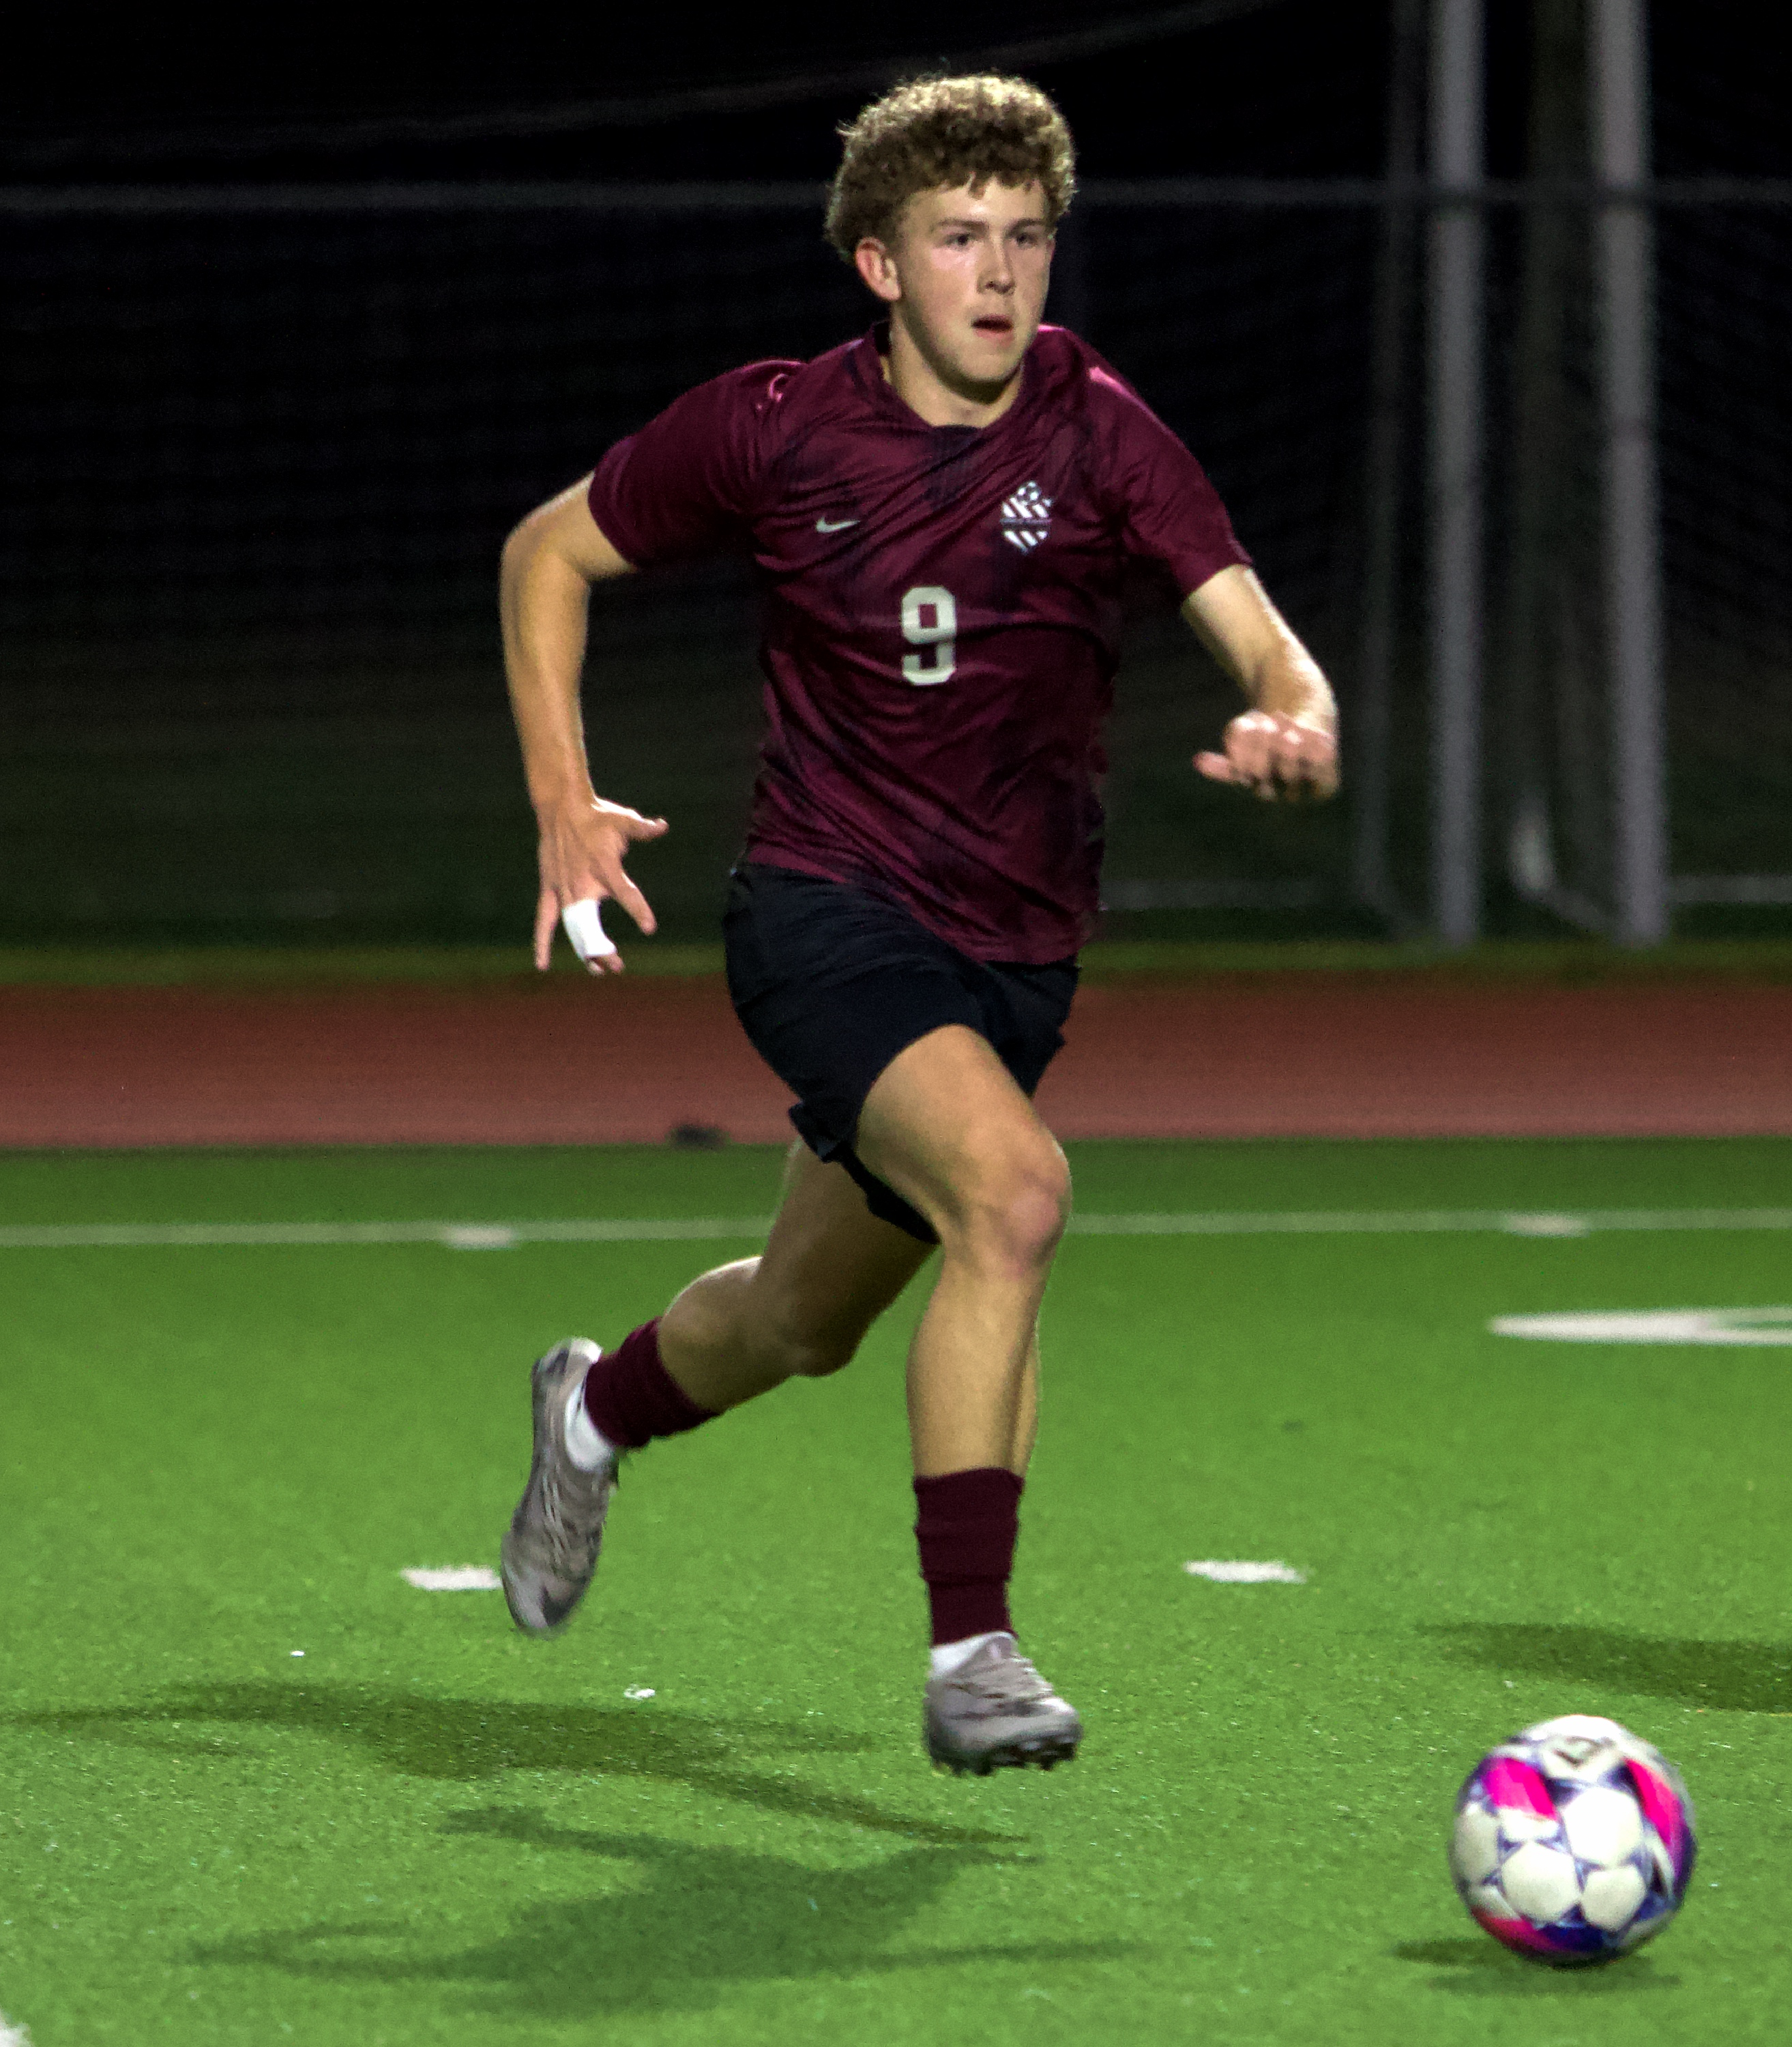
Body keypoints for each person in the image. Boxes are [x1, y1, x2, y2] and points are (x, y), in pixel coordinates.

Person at [493, 75, 1338, 1775]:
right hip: (821, 911)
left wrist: (1296, 716)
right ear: (880, 263)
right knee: (1015, 1200)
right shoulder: (775, 426)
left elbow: (1263, 638)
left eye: (1027, 237)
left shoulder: (1102, 428)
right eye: (961, 239)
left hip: (1015, 957)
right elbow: (545, 555)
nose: (1002, 273)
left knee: (802, 1322)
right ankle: (975, 1651)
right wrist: (564, 800)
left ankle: (590, 1412)